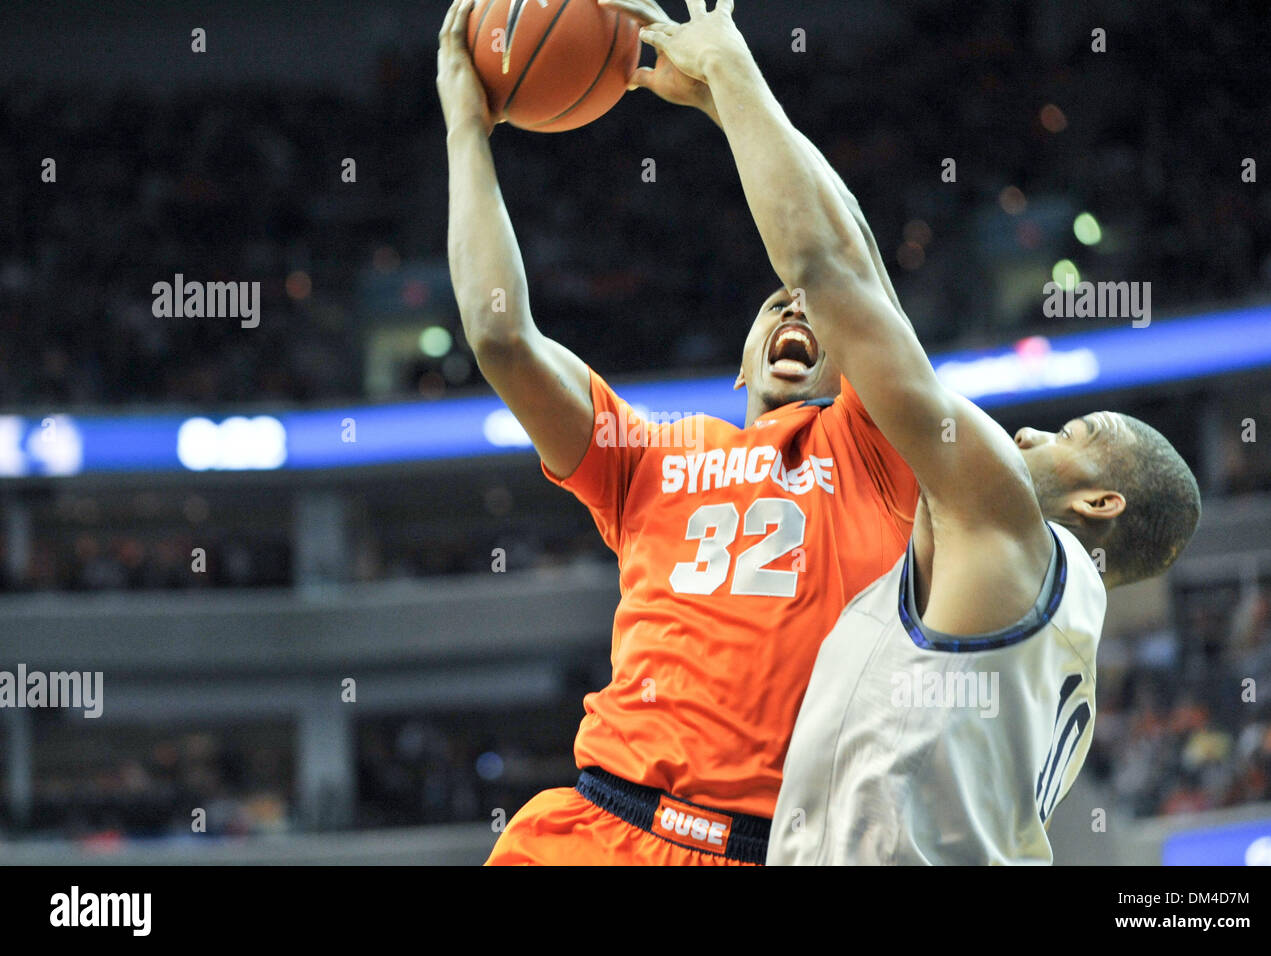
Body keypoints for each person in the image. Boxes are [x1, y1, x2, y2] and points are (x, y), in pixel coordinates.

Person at [626, 0, 1202, 864]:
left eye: (1077, 429)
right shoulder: (1045, 608)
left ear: (1101, 498)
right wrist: (719, 101)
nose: (1037, 427)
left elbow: (829, 275)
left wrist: (735, 70)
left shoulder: (1005, 521)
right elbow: (862, 272)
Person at [438, 0, 920, 864]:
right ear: (741, 365)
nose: (797, 307)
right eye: (777, 305)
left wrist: (728, 90)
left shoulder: (878, 454)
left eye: (815, 310)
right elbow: (499, 335)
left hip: (768, 847)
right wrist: (466, 131)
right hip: (595, 827)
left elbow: (840, 259)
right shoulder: (650, 456)